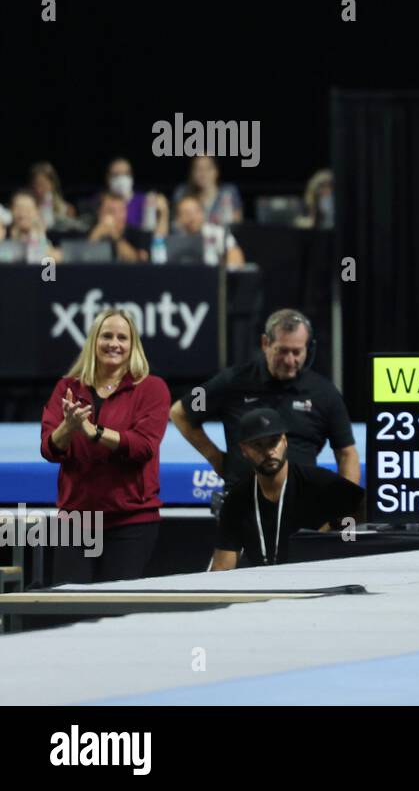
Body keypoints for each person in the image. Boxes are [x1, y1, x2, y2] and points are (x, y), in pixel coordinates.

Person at [39, 309, 171, 583]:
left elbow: (143, 447)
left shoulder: (152, 389)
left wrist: (94, 432)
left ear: (133, 346)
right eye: (107, 336)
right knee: (69, 610)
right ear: (93, 342)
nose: (114, 343)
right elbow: (49, 449)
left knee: (116, 614)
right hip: (76, 521)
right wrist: (69, 427)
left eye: (123, 337)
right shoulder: (67, 388)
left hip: (131, 522)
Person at [169, 309, 359, 489]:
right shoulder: (230, 382)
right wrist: (215, 457)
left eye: (297, 352)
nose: (289, 360)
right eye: (282, 351)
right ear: (265, 343)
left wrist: (344, 501)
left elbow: (347, 454)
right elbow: (180, 412)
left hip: (303, 505)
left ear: (308, 348)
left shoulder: (324, 393)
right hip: (243, 504)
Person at [209, 409, 364, 569]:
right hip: (266, 585)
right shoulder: (237, 500)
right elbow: (222, 568)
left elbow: (366, 506)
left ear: (285, 441)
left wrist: (335, 529)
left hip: (320, 581)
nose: (269, 451)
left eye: (274, 441)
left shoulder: (318, 482)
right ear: (244, 450)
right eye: (258, 445)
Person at [174, 193, 245, 266]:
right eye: (187, 213)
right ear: (178, 218)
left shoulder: (217, 232)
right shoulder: (174, 239)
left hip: (213, 275)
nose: (193, 217)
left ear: (203, 213)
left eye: (196, 211)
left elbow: (235, 256)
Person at [172, 153, 243, 226]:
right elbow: (177, 225)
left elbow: (236, 225)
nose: (203, 173)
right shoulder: (182, 193)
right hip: (193, 237)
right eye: (198, 168)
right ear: (192, 172)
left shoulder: (228, 192)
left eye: (208, 168)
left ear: (216, 171)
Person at [86, 192, 152, 262]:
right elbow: (84, 257)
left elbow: (135, 260)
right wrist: (96, 234)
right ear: (100, 214)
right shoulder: (87, 231)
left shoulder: (138, 234)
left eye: (121, 210)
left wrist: (115, 235)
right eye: (111, 211)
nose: (119, 216)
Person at [5, 189, 62, 263]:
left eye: (28, 209)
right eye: (18, 208)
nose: (23, 213)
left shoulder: (48, 235)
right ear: (11, 210)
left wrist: (39, 238)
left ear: (37, 211)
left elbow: (59, 256)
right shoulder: (3, 234)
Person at [28, 161, 80, 232]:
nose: (39, 189)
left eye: (43, 184)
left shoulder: (67, 209)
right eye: (36, 184)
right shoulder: (26, 209)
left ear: (52, 184)